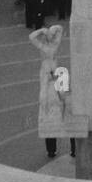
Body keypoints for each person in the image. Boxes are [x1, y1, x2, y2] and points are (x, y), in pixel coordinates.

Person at [31, 25, 65, 158]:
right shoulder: (44, 48)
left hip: (53, 79)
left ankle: (52, 147)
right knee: (45, 102)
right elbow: (31, 37)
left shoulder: (54, 45)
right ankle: (51, 148)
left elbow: (60, 29)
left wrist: (52, 28)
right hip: (47, 77)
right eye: (49, 36)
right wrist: (42, 31)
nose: (52, 37)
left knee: (56, 108)